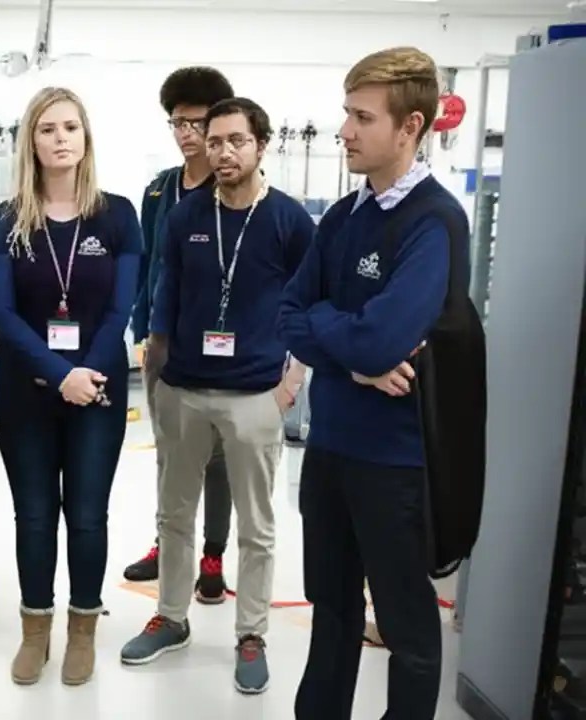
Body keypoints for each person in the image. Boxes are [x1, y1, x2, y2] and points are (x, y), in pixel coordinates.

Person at [279, 47, 465, 720]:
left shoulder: (436, 222)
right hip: (329, 450)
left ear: (410, 127)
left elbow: (384, 338)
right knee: (331, 609)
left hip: (395, 461)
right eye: (346, 114)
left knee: (406, 625)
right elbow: (288, 315)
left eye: (362, 117)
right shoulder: (340, 218)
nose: (346, 131)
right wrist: (352, 357)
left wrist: (333, 328)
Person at [119, 97, 312, 695]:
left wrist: (291, 382)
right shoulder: (184, 216)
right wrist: (155, 373)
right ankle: (172, 618)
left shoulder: (288, 220)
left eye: (236, 141)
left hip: (256, 394)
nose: (222, 152)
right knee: (173, 516)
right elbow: (164, 294)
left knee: (257, 525)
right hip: (184, 390)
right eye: (214, 140)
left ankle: (250, 633)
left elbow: (311, 303)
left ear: (261, 145)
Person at [0, 86, 140, 687]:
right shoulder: (7, 220)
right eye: (47, 129)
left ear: (85, 138)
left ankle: (82, 630)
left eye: (70, 128)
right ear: (31, 140)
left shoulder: (118, 214)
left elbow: (120, 310)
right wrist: (60, 376)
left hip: (97, 392)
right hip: (26, 390)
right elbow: (4, 317)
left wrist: (85, 376)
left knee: (86, 516)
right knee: (32, 517)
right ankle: (35, 629)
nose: (60, 139)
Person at [125, 66, 237, 606]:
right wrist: (141, 328)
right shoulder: (158, 189)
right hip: (162, 342)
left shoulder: (235, 189)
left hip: (219, 345)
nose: (186, 133)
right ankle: (168, 543)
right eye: (177, 122)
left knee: (216, 457)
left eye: (196, 122)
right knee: (169, 451)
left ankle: (212, 556)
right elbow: (146, 264)